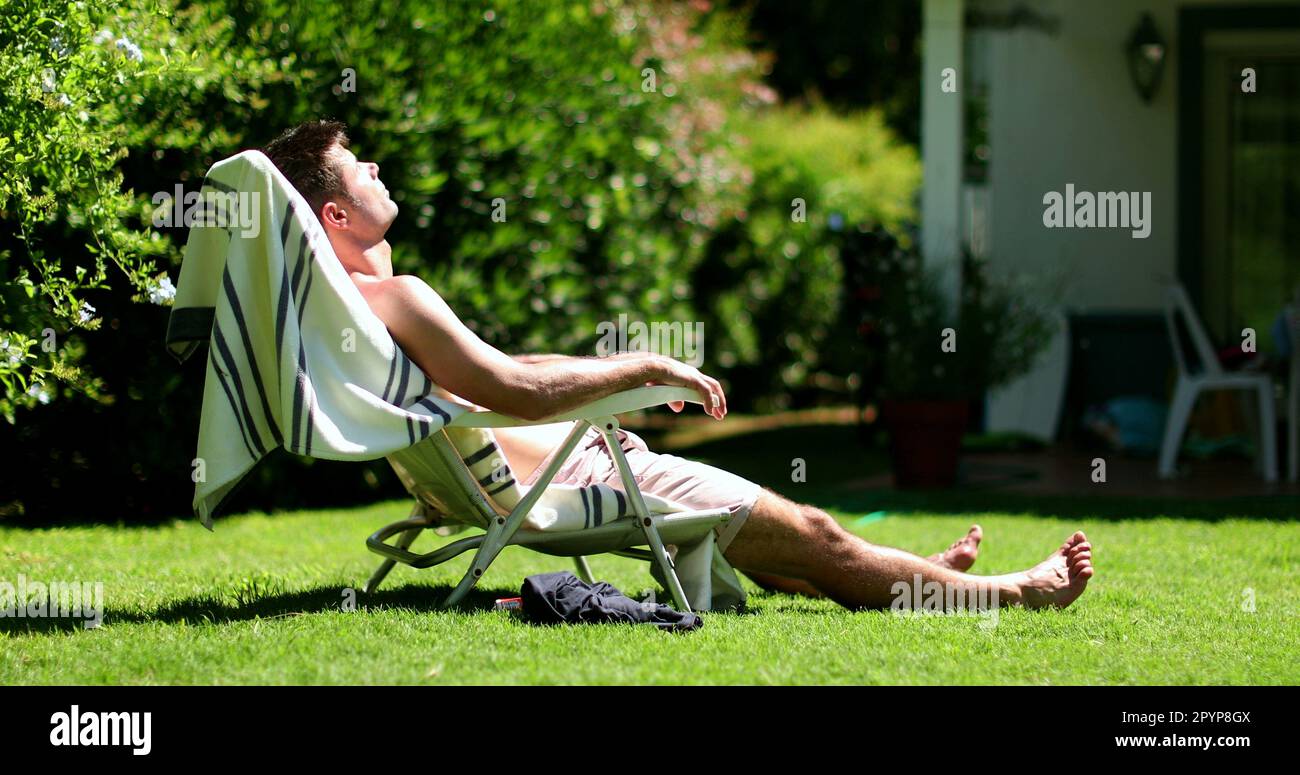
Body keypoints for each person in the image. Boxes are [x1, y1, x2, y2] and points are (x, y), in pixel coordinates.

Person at [262, 120, 1093, 610]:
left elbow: (500, 370)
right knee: (814, 532)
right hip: (573, 480)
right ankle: (1020, 591)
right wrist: (642, 368)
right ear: (336, 212)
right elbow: (514, 389)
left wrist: (601, 378)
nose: (376, 167)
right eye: (357, 167)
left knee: (783, 534)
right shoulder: (397, 296)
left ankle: (907, 579)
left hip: (562, 464)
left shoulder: (357, 312)